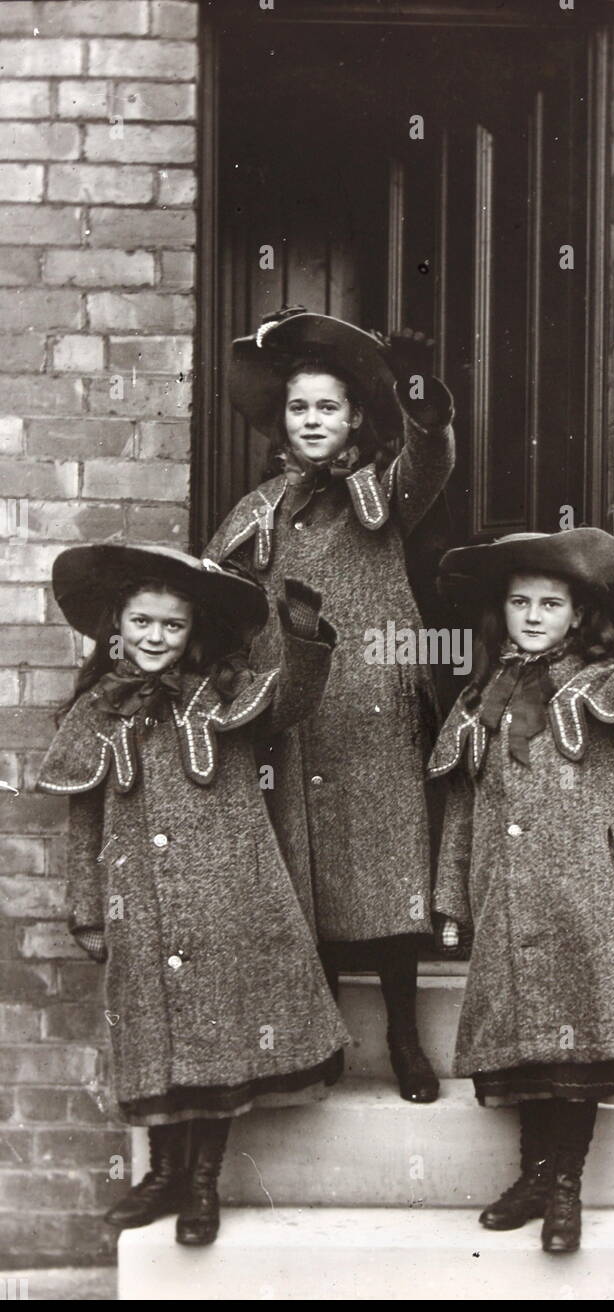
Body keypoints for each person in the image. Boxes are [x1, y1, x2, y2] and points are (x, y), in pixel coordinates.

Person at [36, 543, 350, 1247]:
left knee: (215, 1041)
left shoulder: (226, 698)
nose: (154, 638)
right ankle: (162, 1173)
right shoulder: (96, 712)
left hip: (226, 899)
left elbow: (293, 697)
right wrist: (89, 908)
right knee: (152, 1039)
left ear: (193, 634)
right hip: (138, 905)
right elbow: (83, 817)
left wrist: (299, 631)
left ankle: (203, 1179)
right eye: (141, 622)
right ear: (115, 628)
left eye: (171, 627)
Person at [428, 528, 614, 1252]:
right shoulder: (479, 700)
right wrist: (450, 901)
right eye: (519, 602)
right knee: (526, 1042)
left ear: (576, 615)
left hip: (586, 890)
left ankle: (565, 1190)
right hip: (508, 895)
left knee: (576, 1043)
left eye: (549, 604)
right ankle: (531, 1177)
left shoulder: (597, 682)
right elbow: (462, 803)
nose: (531, 615)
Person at [204, 308, 456, 1103]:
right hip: (293, 714)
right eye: (298, 408)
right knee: (305, 882)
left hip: (372, 711)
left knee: (388, 885)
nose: (311, 420)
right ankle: (316, 1044)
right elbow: (212, 595)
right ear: (282, 421)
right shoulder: (258, 508)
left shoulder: (377, 492)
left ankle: (406, 1044)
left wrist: (422, 403)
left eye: (328, 408)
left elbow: (431, 459)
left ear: (354, 419)